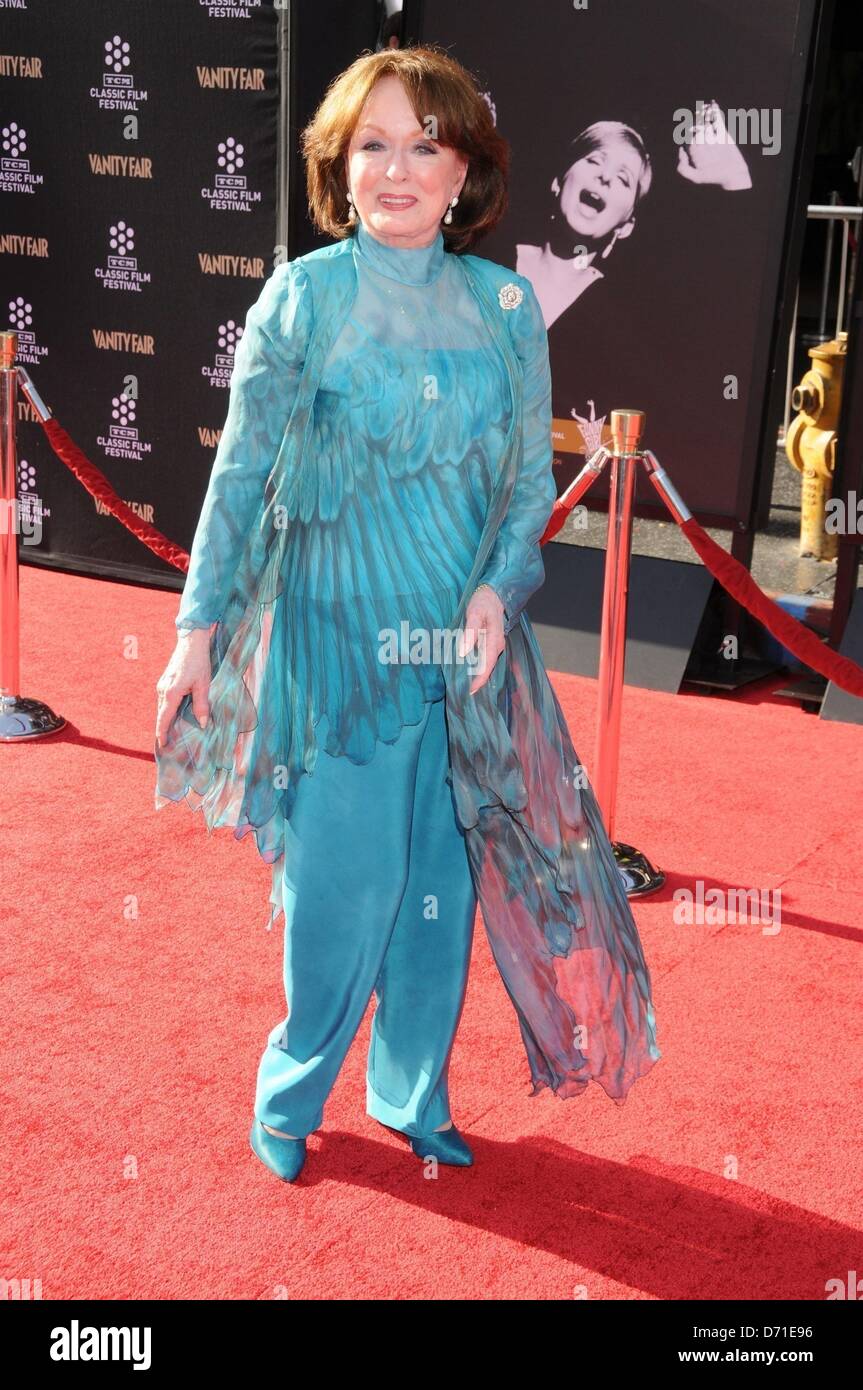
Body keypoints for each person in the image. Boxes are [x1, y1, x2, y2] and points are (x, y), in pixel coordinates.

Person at [154, 44, 661, 1185]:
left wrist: (494, 592)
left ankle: (411, 1091)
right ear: (339, 166)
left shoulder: (504, 305)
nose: (395, 169)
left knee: (440, 895)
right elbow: (239, 477)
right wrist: (198, 629)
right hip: (334, 652)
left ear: (461, 169)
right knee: (346, 890)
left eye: (421, 144)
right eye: (370, 145)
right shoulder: (304, 295)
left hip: (465, 657)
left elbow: (528, 488)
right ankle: (290, 1091)